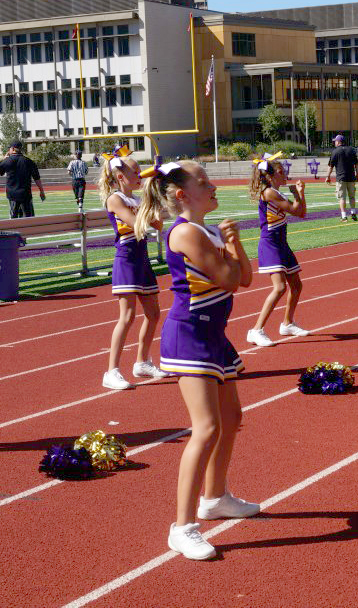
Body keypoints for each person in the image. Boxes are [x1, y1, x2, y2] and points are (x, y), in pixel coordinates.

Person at [134, 160, 256, 561]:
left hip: (212, 334)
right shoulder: (186, 232)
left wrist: (234, 243)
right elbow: (229, 278)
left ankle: (215, 496)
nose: (213, 185)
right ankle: (182, 527)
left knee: (232, 420)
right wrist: (231, 249)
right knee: (205, 428)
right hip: (189, 336)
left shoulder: (203, 230)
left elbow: (246, 277)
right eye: (204, 181)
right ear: (183, 194)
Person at [97, 146, 167, 391]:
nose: (140, 175)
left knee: (154, 313)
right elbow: (137, 224)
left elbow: (158, 224)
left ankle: (142, 362)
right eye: (136, 172)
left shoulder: (137, 198)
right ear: (120, 176)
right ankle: (112, 371)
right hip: (126, 259)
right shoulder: (115, 199)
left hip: (142, 258)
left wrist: (153, 193)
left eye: (140, 172)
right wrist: (148, 204)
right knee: (126, 317)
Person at [245, 152, 308, 347]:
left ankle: (287, 323)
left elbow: (302, 213)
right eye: (280, 172)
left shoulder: (277, 192)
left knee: (296, 285)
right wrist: (299, 194)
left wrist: (298, 194)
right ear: (269, 176)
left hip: (281, 242)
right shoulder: (269, 192)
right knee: (280, 287)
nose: (284, 174)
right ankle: (256, 330)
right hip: (270, 243)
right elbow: (297, 210)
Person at [0, 140, 46, 218]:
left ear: (13, 149)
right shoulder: (29, 161)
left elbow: (0, 172)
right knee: (28, 218)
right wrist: (41, 191)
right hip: (26, 193)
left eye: (9, 148)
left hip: (12, 194)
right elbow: (37, 178)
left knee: (13, 218)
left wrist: (4, 160)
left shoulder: (7, 161)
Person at [325, 134, 358, 221]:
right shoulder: (351, 150)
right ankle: (353, 213)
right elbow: (356, 164)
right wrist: (357, 174)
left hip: (341, 178)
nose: (334, 143)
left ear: (338, 142)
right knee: (352, 196)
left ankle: (344, 216)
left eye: (335, 141)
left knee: (342, 197)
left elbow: (331, 166)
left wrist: (328, 176)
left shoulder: (335, 151)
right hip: (351, 177)